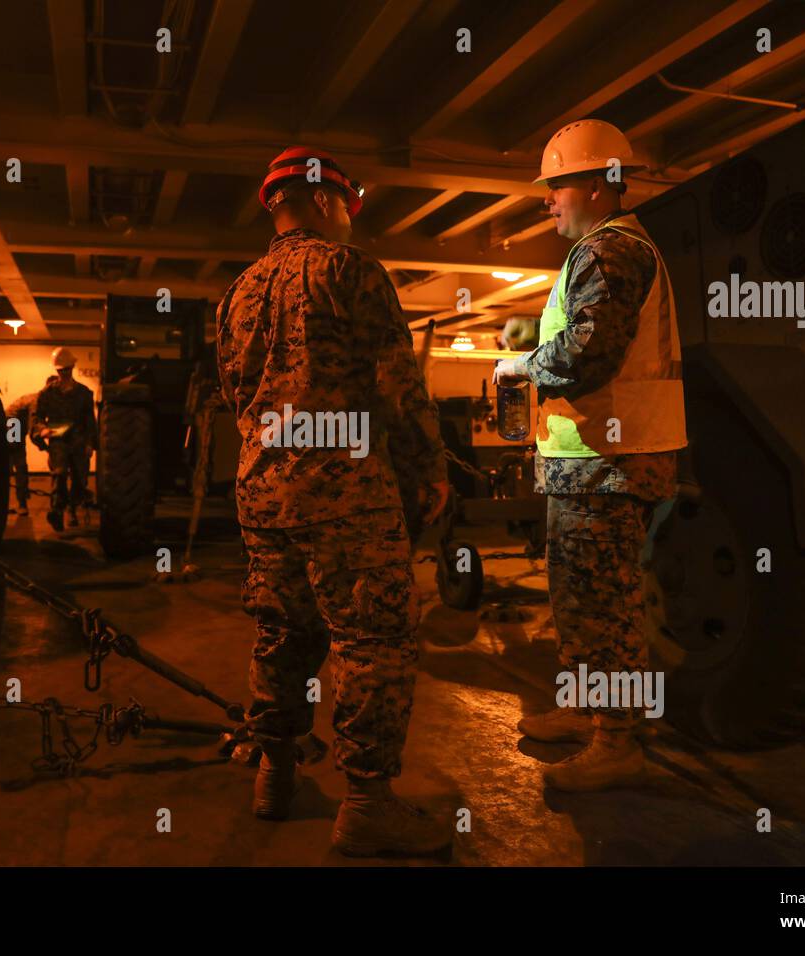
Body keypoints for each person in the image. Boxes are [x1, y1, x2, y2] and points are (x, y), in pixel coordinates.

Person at [217, 146, 451, 858]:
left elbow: (236, 396)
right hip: (345, 490)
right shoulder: (351, 270)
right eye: (348, 206)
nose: (350, 219)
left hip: (263, 491)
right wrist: (428, 471)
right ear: (324, 200)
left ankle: (275, 774)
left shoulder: (238, 293)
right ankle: (368, 803)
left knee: (281, 634)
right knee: (373, 641)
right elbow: (397, 385)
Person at [493, 119, 687, 791]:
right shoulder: (598, 252)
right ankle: (585, 707)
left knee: (604, 603)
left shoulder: (611, 251)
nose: (547, 200)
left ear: (602, 186)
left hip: (611, 460)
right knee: (578, 597)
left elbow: (589, 351)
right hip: (591, 462)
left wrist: (522, 364)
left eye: (559, 186)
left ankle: (617, 739)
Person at [30, 352, 96, 532]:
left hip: (79, 439)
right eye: (60, 370)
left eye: (66, 370)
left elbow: (90, 420)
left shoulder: (84, 393)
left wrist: (90, 443)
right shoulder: (47, 393)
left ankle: (72, 509)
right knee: (59, 474)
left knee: (79, 479)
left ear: (72, 368)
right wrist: (42, 429)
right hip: (58, 439)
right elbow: (36, 416)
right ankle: (57, 511)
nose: (64, 373)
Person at [4, 390, 39, 514]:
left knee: (17, 466)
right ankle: (21, 504)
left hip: (13, 424)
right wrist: (45, 447)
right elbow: (33, 428)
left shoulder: (36, 398)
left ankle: (17, 503)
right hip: (13, 424)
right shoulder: (36, 401)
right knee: (19, 465)